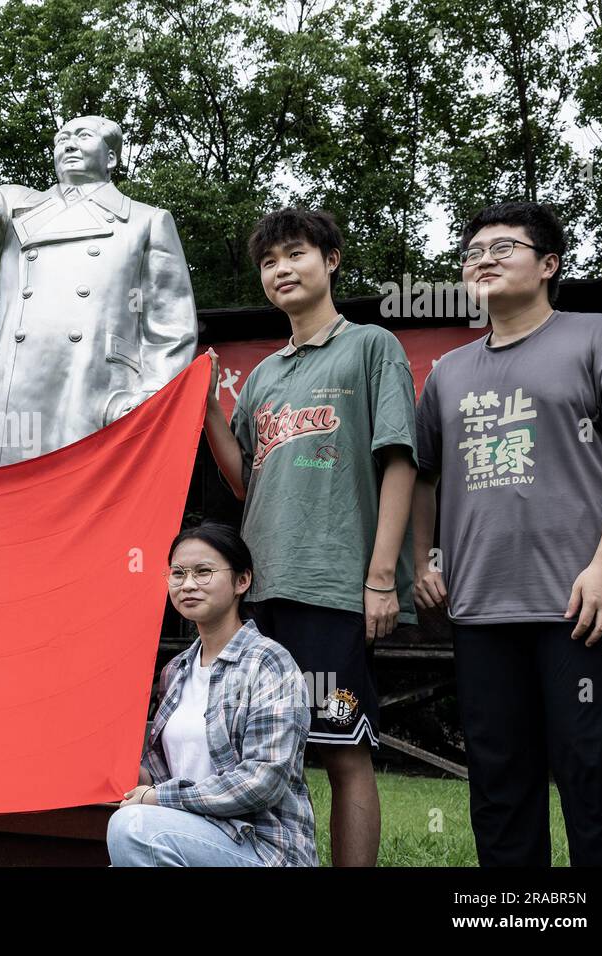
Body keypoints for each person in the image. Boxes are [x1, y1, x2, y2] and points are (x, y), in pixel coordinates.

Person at [412, 201, 602, 866]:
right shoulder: (448, 373)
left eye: (504, 246)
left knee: (599, 786)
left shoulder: (601, 339)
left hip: (583, 606)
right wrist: (427, 557)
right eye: (473, 250)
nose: (483, 257)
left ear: (548, 265)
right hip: (481, 611)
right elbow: (421, 473)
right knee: (500, 793)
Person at [201, 207, 418, 866]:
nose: (281, 270)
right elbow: (245, 478)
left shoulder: (371, 346)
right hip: (260, 588)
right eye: (269, 262)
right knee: (265, 748)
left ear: (331, 260)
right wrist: (209, 403)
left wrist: (380, 578)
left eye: (295, 254)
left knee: (342, 749)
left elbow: (400, 461)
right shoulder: (264, 376)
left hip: (333, 584)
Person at [0, 30, 198, 468]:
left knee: (87, 511)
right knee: (3, 515)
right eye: (62, 138)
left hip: (98, 393)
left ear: (111, 159)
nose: (69, 142)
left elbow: (171, 330)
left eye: (84, 136)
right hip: (15, 394)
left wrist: (149, 401)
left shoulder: (146, 221)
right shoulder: (17, 208)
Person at [107, 522, 317, 866]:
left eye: (203, 572)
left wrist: (158, 798)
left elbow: (262, 781)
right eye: (177, 573)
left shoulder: (269, 663)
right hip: (190, 834)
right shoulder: (175, 672)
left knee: (133, 828)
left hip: (262, 847)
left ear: (241, 581)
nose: (188, 584)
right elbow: (158, 776)